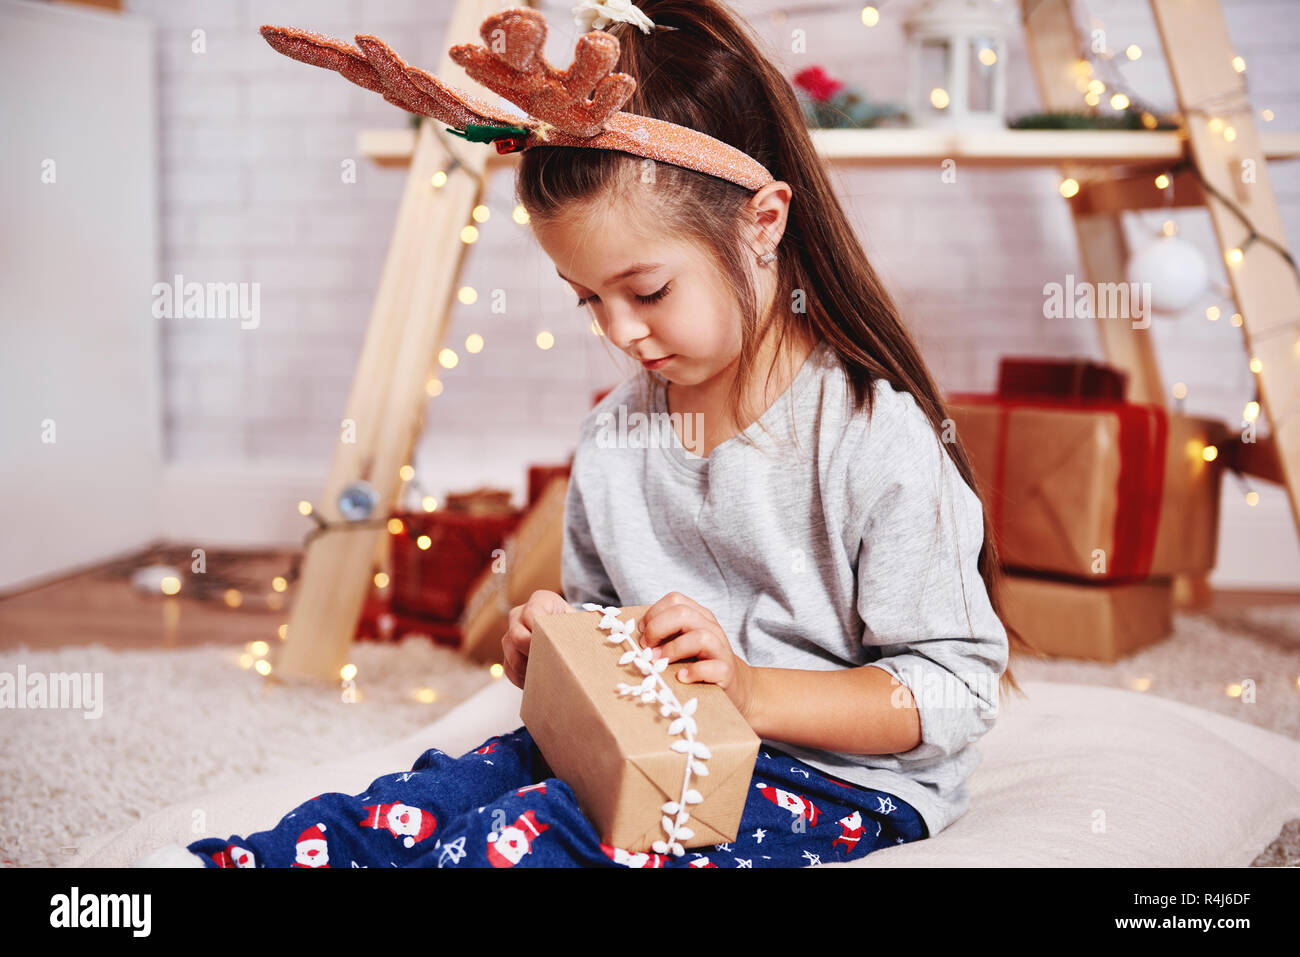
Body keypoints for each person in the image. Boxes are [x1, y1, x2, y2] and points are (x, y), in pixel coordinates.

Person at [140, 0, 1026, 870]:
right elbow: (612, 629)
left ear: (763, 224)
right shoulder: (615, 436)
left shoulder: (874, 439)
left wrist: (751, 693)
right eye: (588, 298)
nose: (621, 333)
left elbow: (950, 690)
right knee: (431, 796)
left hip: (832, 777)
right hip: (645, 736)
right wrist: (561, 650)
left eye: (647, 292)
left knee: (540, 836)